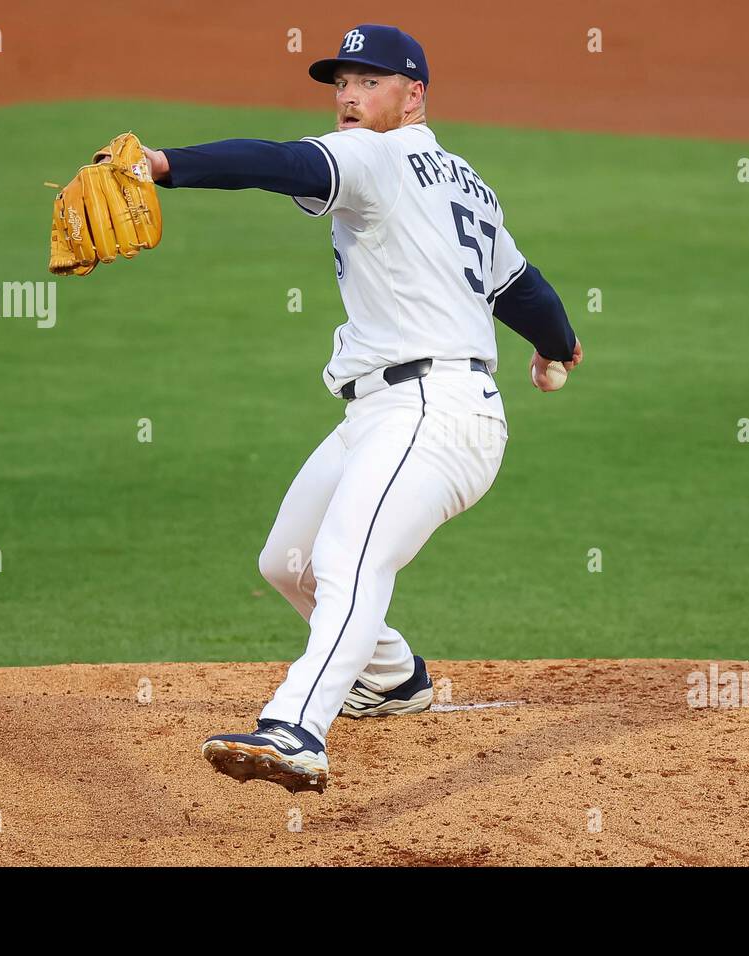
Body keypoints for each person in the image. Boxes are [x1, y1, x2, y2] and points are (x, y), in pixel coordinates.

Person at [145, 24, 583, 793]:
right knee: (287, 560)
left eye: (369, 82)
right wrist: (557, 346)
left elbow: (277, 163)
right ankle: (389, 678)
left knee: (348, 560)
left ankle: (296, 728)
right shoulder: (464, 179)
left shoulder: (373, 156)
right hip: (390, 411)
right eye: (340, 83)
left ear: (414, 96)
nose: (348, 97)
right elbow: (520, 285)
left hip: (433, 411)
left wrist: (164, 166)